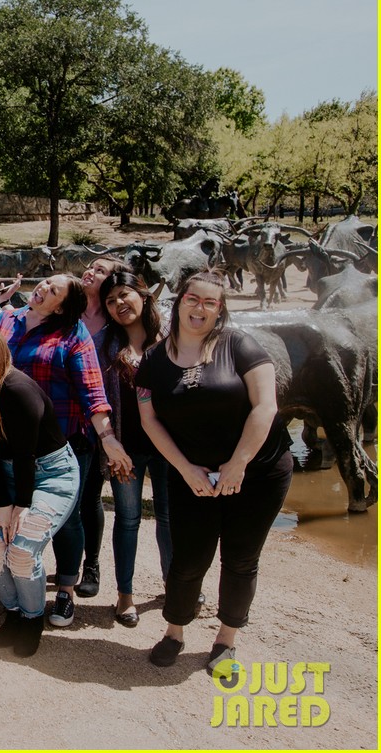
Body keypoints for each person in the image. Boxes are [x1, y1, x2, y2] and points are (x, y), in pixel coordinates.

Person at [137, 271, 292, 671]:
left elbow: (266, 407)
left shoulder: (238, 345)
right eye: (193, 299)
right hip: (192, 476)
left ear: (219, 309)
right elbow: (150, 420)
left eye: (210, 302)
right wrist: (185, 469)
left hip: (258, 472)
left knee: (241, 558)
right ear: (179, 301)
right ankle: (174, 631)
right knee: (189, 559)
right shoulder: (154, 360)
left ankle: (226, 638)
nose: (200, 308)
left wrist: (238, 464)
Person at [0, 274, 131, 629]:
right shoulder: (6, 320)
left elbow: (92, 392)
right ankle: (18, 585)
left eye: (53, 291)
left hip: (63, 444)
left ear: (63, 306)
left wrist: (108, 437)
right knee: (13, 512)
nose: (43, 289)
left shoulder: (73, 334)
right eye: (45, 283)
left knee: (66, 520)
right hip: (7, 443)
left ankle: (66, 589)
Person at [0, 326, 80, 657]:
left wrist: (20, 505)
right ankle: (12, 611)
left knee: (23, 550)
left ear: (3, 356)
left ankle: (32, 618)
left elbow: (26, 454)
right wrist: (5, 503)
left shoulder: (17, 389)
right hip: (7, 477)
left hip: (51, 474)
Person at [97, 271, 171, 627]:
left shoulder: (172, 337)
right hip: (125, 449)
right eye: (110, 301)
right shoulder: (103, 344)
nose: (118, 305)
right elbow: (94, 397)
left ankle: (174, 585)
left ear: (144, 295)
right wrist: (108, 443)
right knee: (127, 519)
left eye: (124, 295)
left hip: (171, 448)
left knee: (170, 519)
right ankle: (125, 594)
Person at [73, 256, 130, 600]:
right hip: (65, 421)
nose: (89, 272)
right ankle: (65, 560)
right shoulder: (66, 312)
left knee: (90, 498)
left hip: (104, 424)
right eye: (89, 267)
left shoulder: (118, 323)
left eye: (100, 270)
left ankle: (90, 564)